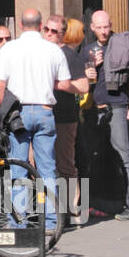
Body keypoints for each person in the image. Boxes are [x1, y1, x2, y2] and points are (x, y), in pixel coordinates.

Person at [0, 10, 85, 231]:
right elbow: (64, 82)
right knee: (47, 168)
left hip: (19, 112)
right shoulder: (53, 50)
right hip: (44, 110)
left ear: (20, 26)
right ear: (41, 26)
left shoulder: (9, 49)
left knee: (19, 168)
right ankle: (52, 220)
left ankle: (18, 221)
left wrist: (9, 111)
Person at [81, 9, 129, 219]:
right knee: (88, 157)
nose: (103, 31)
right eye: (99, 27)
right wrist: (90, 71)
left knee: (125, 156)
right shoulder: (87, 51)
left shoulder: (121, 45)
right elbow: (83, 85)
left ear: (111, 25)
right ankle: (88, 203)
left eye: (106, 26)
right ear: (92, 28)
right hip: (94, 109)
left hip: (118, 107)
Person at [44, 15, 87, 223]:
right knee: (41, 164)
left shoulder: (70, 55)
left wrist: (63, 85)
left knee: (65, 163)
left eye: (54, 31)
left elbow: (84, 86)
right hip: (42, 115)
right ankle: (47, 210)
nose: (49, 34)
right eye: (46, 29)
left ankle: (71, 209)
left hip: (64, 116)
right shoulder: (39, 53)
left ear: (62, 34)